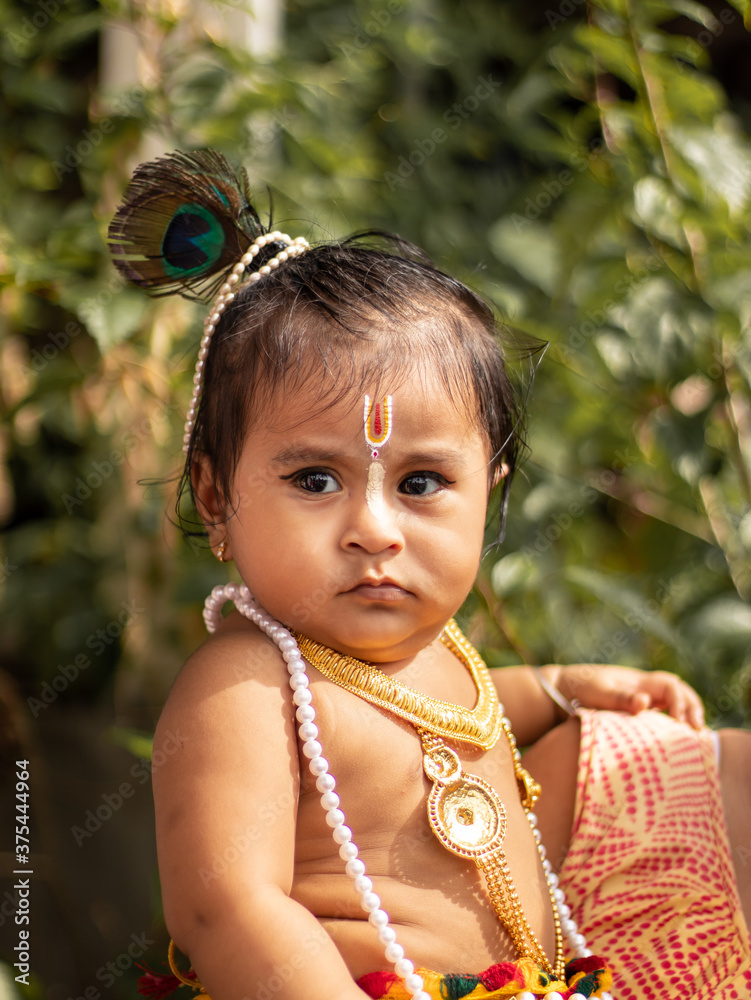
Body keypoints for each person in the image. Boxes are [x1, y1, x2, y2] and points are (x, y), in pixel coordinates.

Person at [108, 150, 751, 1000]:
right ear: (216, 497)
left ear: (490, 490)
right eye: (315, 480)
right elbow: (227, 907)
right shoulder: (247, 684)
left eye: (419, 484)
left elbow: (443, 723)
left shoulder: (434, 651)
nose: (374, 530)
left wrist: (559, 688)